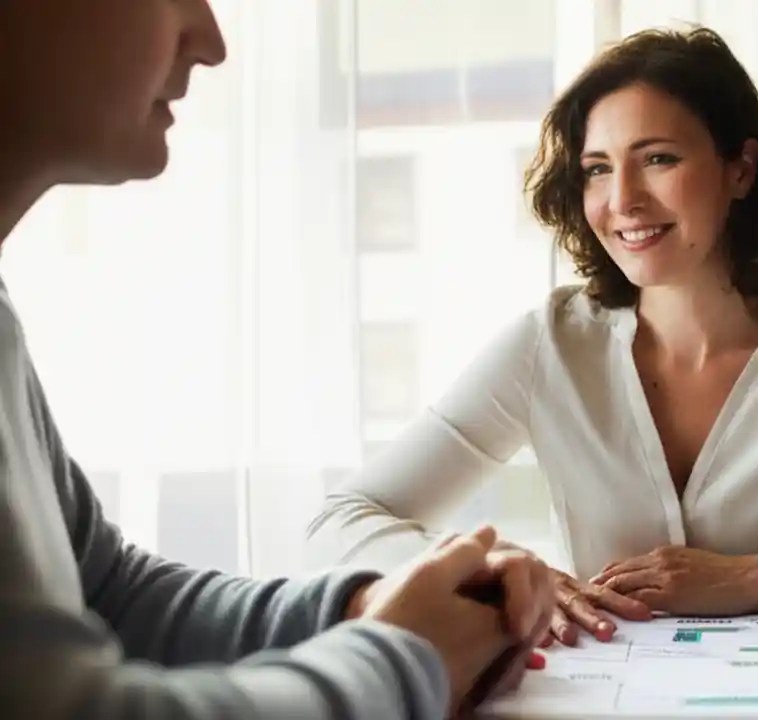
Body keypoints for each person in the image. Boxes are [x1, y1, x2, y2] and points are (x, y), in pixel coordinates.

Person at [307, 26, 758, 647]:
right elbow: (341, 521)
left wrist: (755, 578)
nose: (622, 201)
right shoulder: (548, 346)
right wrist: (495, 570)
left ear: (740, 167)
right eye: (597, 169)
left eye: (658, 158)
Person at [0, 1, 555, 718]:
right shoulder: (548, 339)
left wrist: (362, 607)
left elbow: (108, 594)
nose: (211, 42)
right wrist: (403, 655)